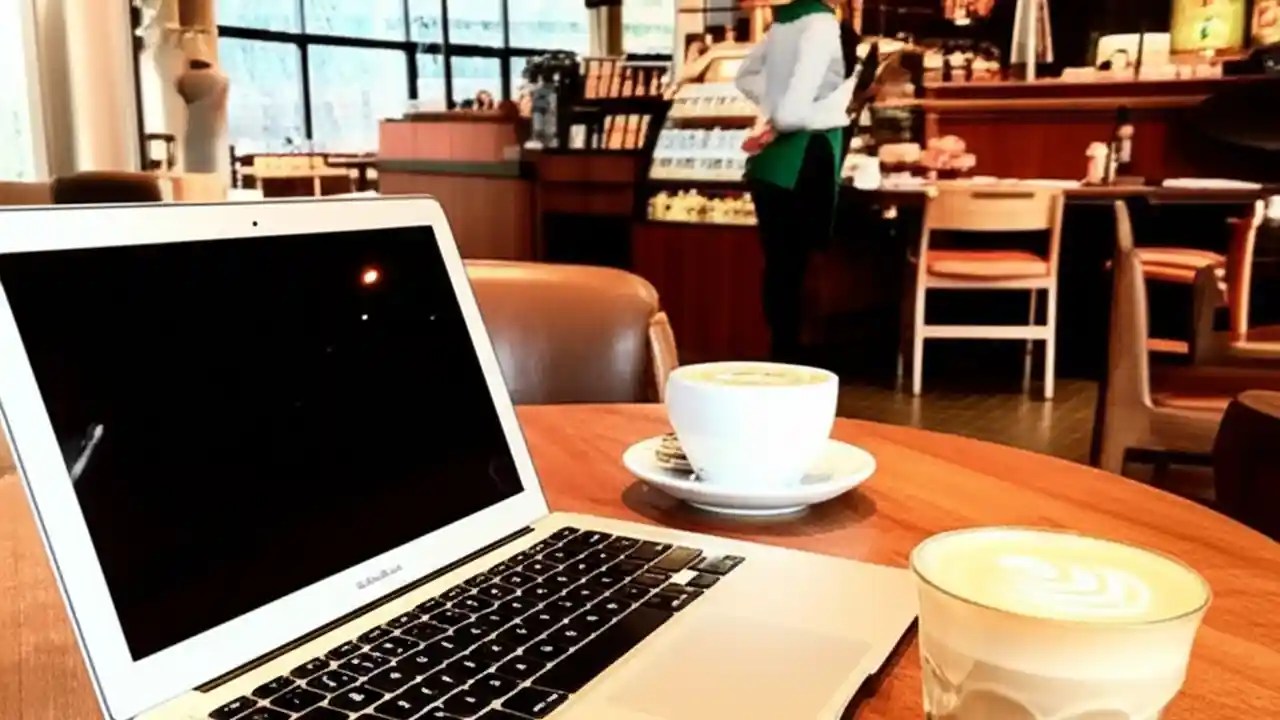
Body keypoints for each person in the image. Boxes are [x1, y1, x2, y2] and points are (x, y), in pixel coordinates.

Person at [736, 0, 856, 363]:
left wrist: (772, 106)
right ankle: (797, 361)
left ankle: (781, 353)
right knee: (803, 264)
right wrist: (785, 112)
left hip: (771, 163)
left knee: (779, 264)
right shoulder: (820, 23)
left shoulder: (782, 24)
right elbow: (792, 114)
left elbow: (744, 77)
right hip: (807, 155)